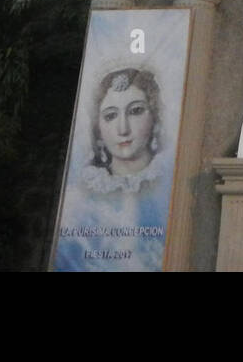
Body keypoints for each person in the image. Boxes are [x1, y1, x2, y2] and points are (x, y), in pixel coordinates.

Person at [53, 64, 172, 271]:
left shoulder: (168, 179)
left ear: (154, 116)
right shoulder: (80, 194)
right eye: (110, 115)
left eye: (135, 111)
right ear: (98, 127)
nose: (123, 129)